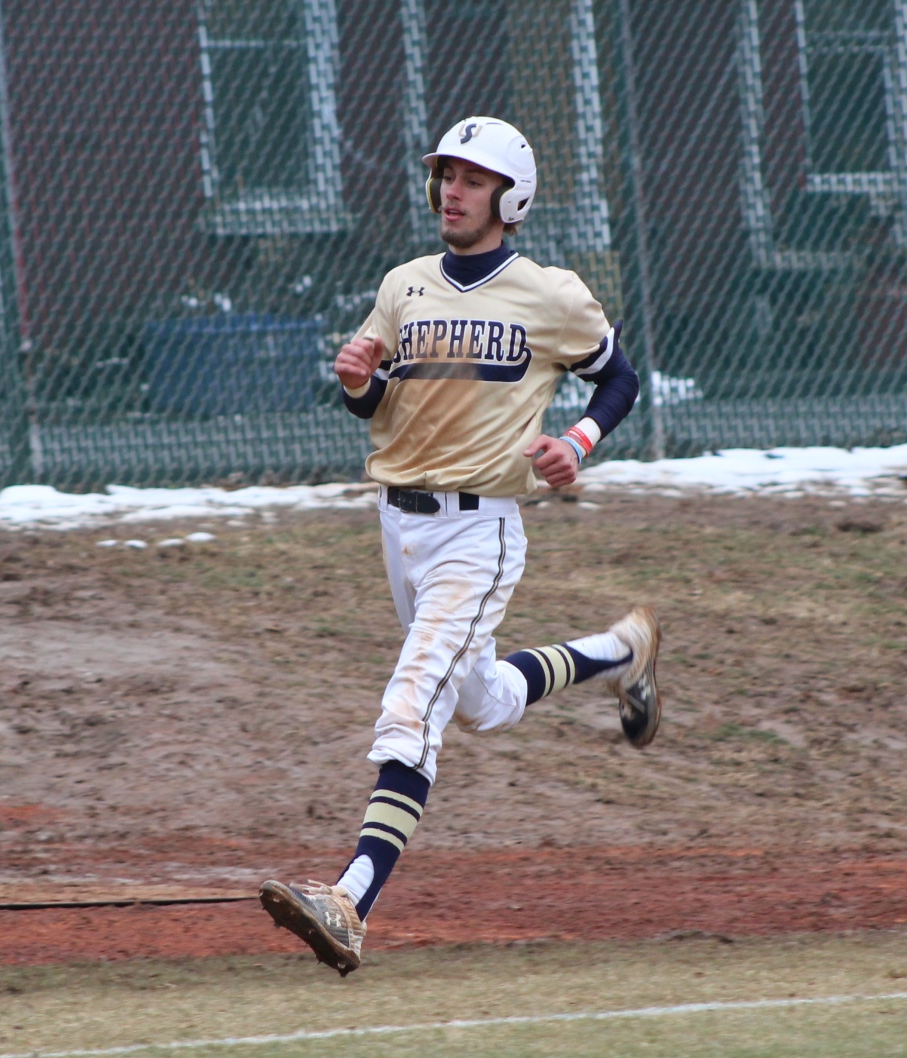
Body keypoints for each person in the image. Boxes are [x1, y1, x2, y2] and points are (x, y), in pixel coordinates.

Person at [258, 116, 661, 976]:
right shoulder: (404, 286)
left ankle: (350, 900)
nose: (452, 189)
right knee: (476, 700)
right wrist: (358, 385)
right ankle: (622, 651)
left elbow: (622, 375)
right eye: (446, 174)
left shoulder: (549, 294)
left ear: (510, 198)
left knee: (413, 705)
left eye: (473, 179)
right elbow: (380, 406)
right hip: (398, 524)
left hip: (480, 531)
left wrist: (580, 441)